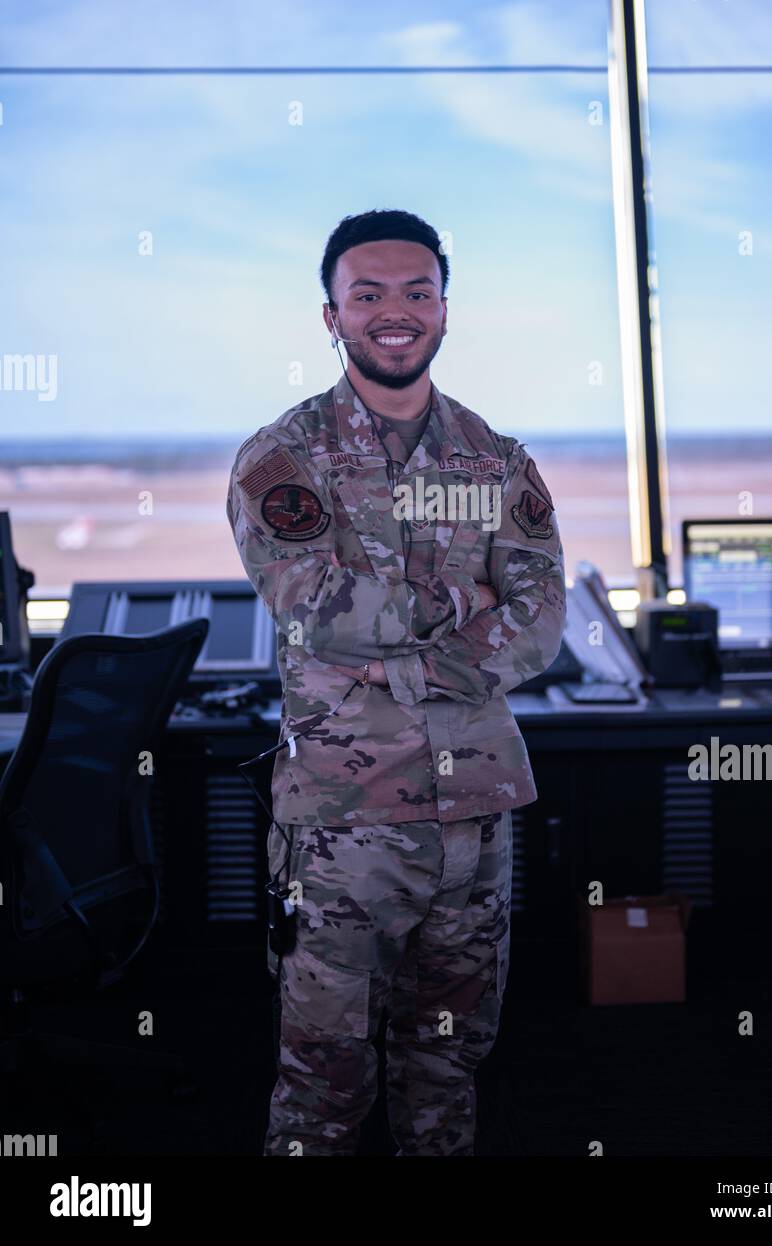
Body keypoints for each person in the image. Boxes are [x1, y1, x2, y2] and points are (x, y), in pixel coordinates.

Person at [227, 208, 566, 1156]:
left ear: (445, 311)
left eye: (416, 292)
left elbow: (540, 621)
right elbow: (316, 608)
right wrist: (466, 606)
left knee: (449, 1065)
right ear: (330, 317)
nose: (394, 311)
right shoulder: (283, 459)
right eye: (366, 293)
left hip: (476, 816)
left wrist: (400, 648)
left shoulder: (497, 460)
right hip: (345, 823)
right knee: (323, 1076)